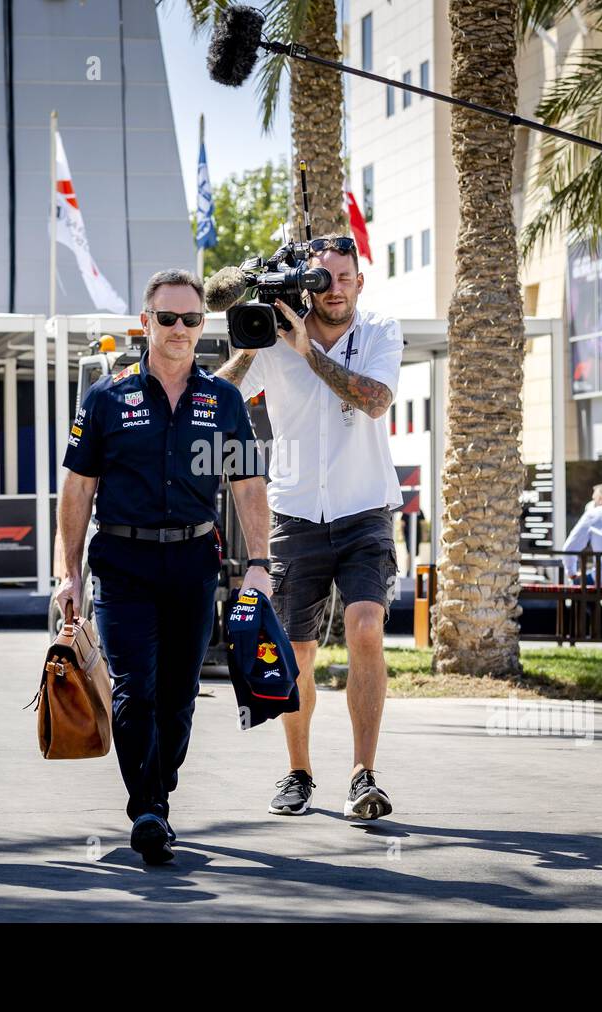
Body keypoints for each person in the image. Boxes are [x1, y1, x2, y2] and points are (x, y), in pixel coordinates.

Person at [56, 269, 272, 865]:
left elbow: (249, 484)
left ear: (204, 326)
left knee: (179, 695)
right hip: (122, 561)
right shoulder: (106, 398)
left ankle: (160, 787)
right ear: (146, 322)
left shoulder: (224, 400)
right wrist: (67, 573)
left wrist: (260, 563)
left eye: (192, 319)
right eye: (168, 318)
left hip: (193, 561)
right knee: (134, 688)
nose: (180, 330)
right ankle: (147, 807)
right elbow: (77, 491)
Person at [217, 234, 403, 821]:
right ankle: (298, 773)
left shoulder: (378, 330)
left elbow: (375, 401)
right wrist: (254, 333)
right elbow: (219, 396)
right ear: (307, 282)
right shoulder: (275, 334)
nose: (336, 289)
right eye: (324, 278)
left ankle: (363, 773)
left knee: (365, 627)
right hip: (294, 513)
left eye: (345, 278)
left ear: (359, 282)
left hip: (365, 509)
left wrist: (307, 353)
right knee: (296, 652)